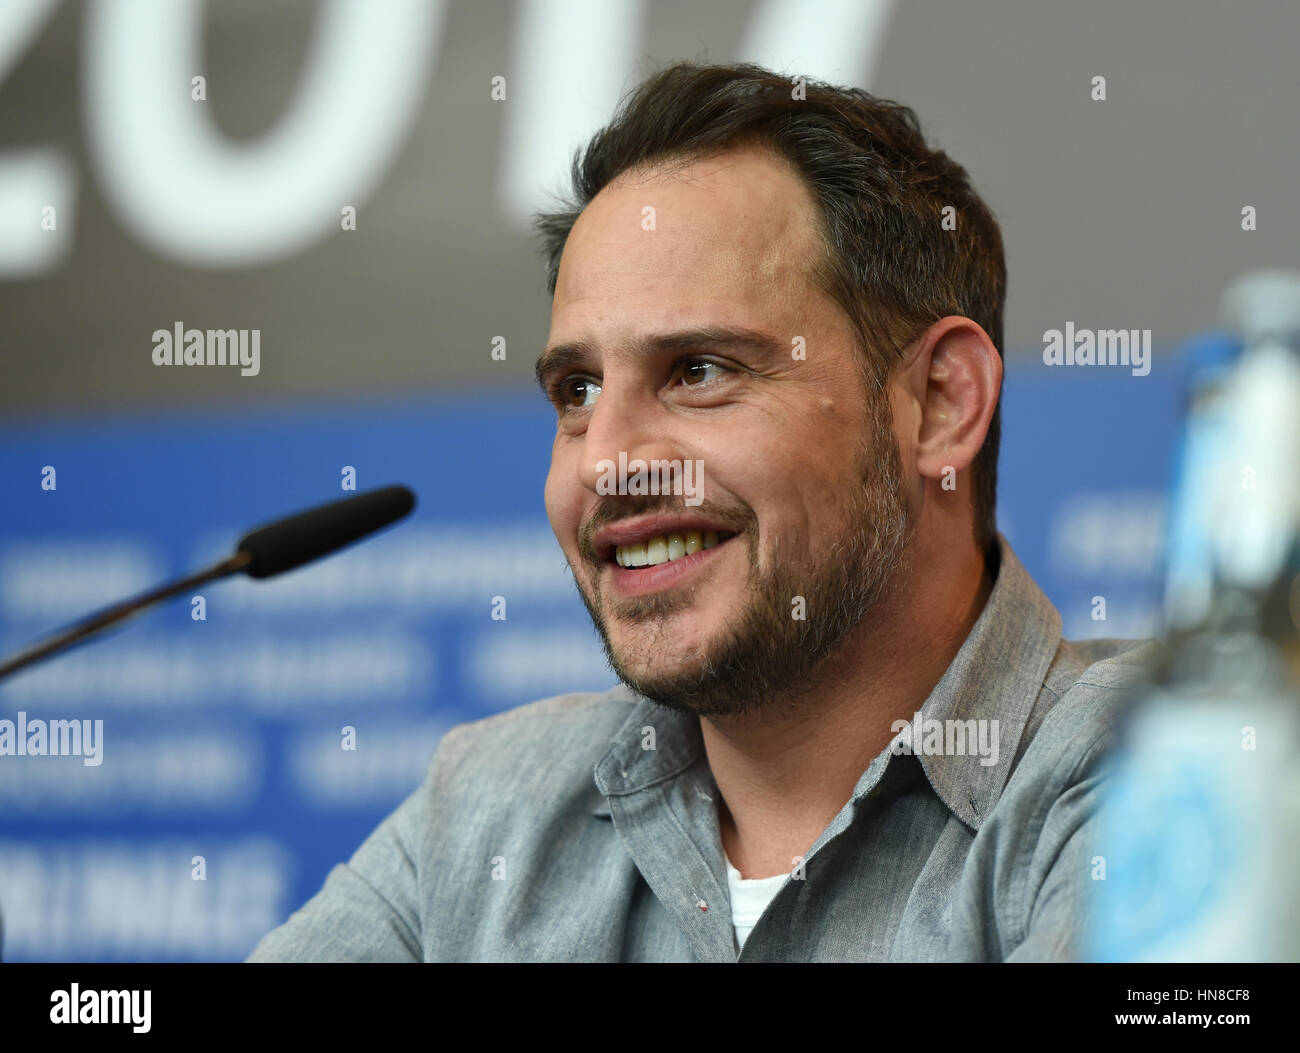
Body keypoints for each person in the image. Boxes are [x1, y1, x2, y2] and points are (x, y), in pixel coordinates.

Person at [246, 61, 1154, 962]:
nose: (604, 462)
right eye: (578, 389)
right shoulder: (484, 809)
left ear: (941, 402)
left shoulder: (1164, 776)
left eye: (699, 371)